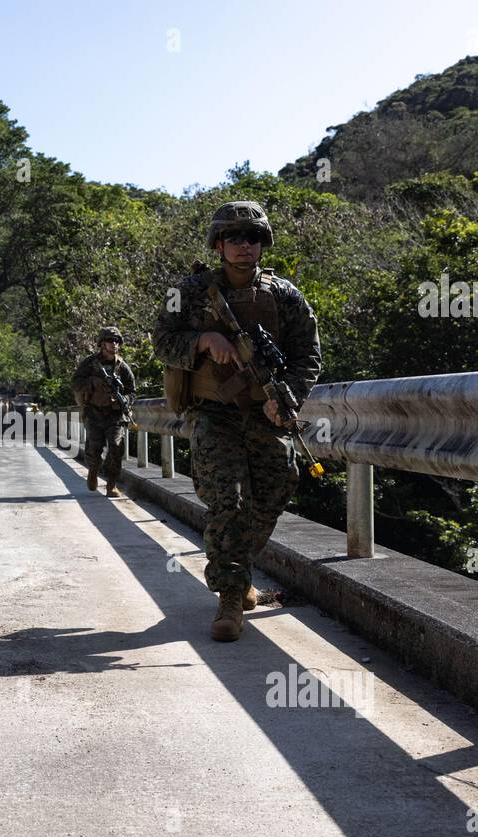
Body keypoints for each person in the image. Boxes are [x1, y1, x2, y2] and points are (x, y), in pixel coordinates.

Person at [153, 201, 321, 641]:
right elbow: (161, 341)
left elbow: (308, 355)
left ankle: (240, 572)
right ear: (219, 244)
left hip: (264, 412)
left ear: (262, 242)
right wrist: (203, 340)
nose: (244, 246)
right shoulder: (188, 292)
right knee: (228, 501)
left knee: (277, 488)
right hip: (214, 413)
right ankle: (230, 597)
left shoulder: (284, 295)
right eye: (234, 238)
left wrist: (286, 398)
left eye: (252, 237)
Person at [71, 326, 136, 497]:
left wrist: (125, 400)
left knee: (116, 448)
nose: (114, 344)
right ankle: (93, 470)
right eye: (110, 340)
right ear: (102, 343)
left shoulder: (122, 367)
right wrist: (92, 383)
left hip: (115, 415)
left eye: (116, 341)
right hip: (94, 413)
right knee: (94, 448)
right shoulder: (90, 364)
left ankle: (111, 484)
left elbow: (132, 391)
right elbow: (75, 383)